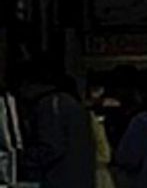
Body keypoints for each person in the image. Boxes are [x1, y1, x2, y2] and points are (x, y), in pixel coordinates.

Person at [18, 56, 97, 188]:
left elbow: (51, 147)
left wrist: (22, 160)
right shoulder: (70, 104)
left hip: (59, 180)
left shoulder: (50, 105)